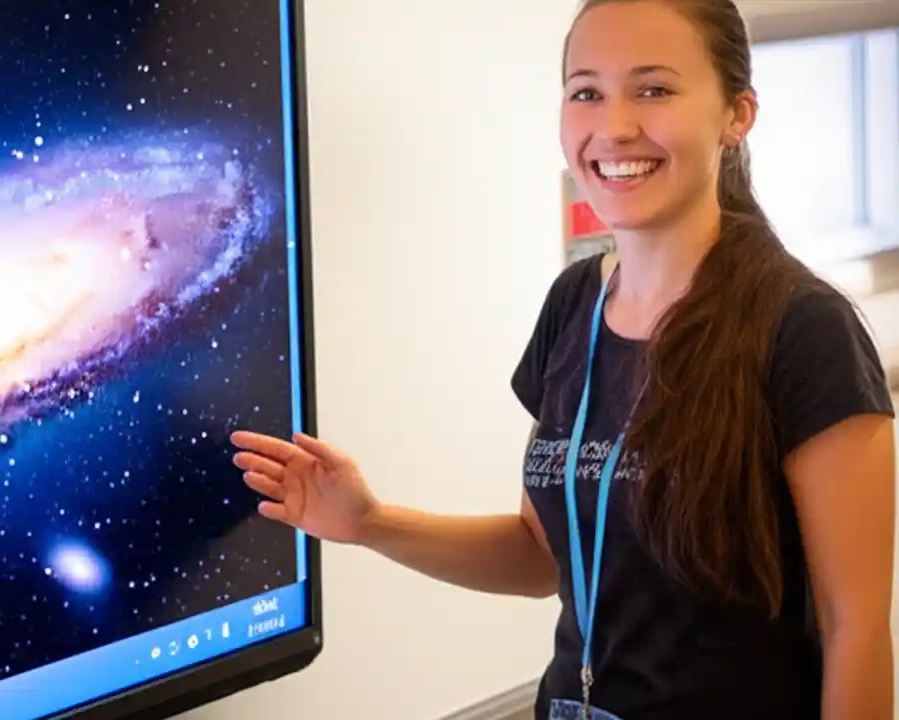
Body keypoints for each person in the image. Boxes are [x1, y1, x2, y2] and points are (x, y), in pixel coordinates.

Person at [229, 0, 897, 718]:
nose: (613, 127)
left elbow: (853, 628)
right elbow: (540, 556)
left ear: (737, 114)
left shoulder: (806, 332)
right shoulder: (575, 304)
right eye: (586, 92)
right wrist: (369, 522)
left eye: (654, 90)